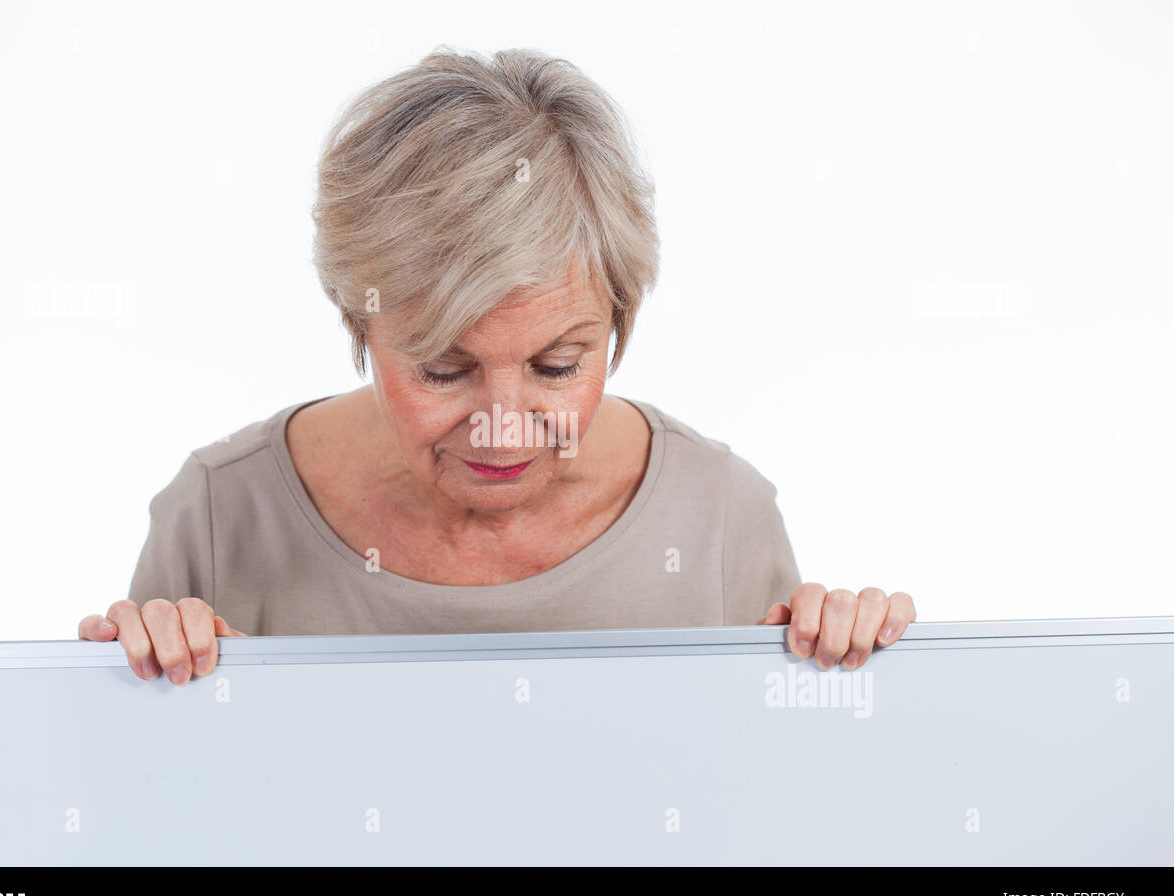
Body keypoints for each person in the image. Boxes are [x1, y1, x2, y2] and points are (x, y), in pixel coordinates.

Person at [79, 47, 915, 684]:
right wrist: (131, 687)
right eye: (444, 371)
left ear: (619, 322)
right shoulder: (224, 515)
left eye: (557, 366)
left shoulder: (720, 518)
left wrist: (851, 672)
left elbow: (770, 812)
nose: (504, 425)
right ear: (359, 323)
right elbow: (142, 814)